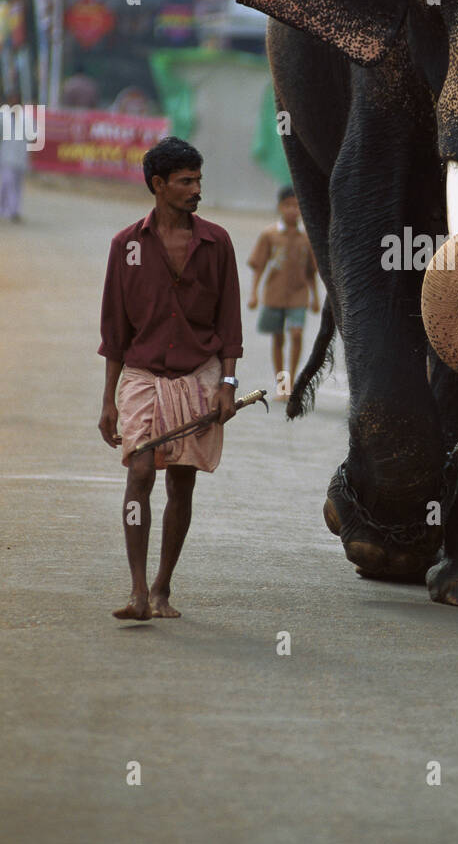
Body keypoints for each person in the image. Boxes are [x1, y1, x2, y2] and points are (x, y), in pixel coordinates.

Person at [98, 136, 243, 620]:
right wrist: (108, 401)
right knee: (140, 471)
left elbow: (229, 325)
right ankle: (137, 591)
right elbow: (115, 332)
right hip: (142, 375)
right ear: (158, 185)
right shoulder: (127, 246)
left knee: (182, 483)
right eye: (186, 181)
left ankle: (163, 588)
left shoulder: (216, 242)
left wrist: (228, 385)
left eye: (199, 180)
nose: (196, 189)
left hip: (199, 375)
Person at [247, 186, 319, 394]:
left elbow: (311, 271)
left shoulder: (306, 238)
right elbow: (259, 265)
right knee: (278, 338)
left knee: (296, 334)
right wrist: (254, 293)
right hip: (274, 294)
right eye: (288, 205)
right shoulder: (269, 235)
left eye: (297, 206)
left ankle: (292, 379)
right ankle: (282, 384)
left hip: (298, 294)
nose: (292, 210)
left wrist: (315, 298)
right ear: (280, 207)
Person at [0, 93, 30, 221]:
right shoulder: (3, 117)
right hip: (6, 156)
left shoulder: (25, 118)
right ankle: (6, 209)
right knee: (6, 183)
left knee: (17, 185)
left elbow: (32, 136)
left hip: (20, 156)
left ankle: (14, 210)